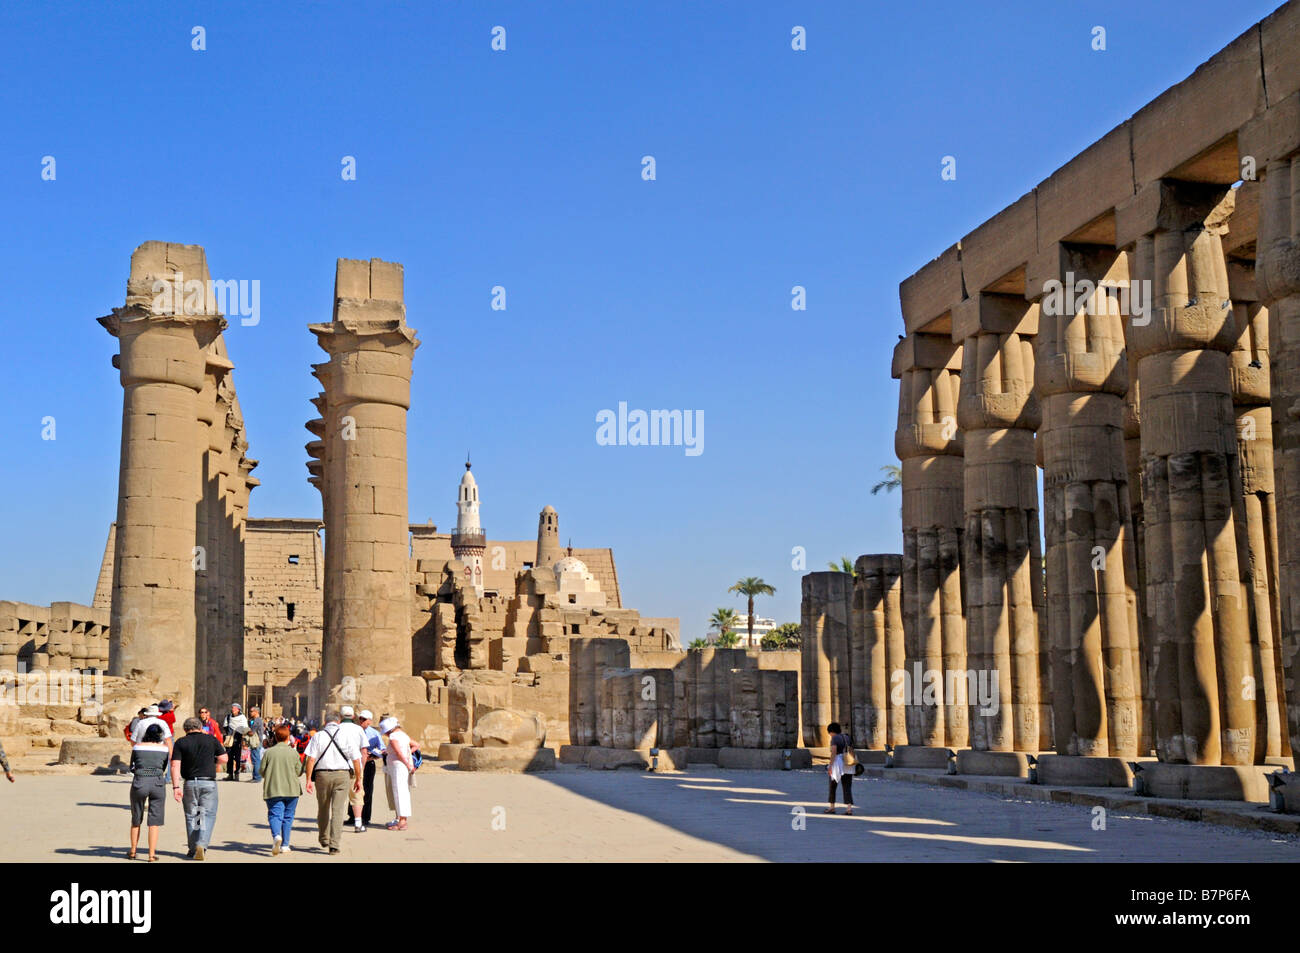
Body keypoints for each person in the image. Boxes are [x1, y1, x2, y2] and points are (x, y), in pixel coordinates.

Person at [302, 710, 362, 855]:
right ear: (338, 721)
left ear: (325, 722)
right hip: (342, 775)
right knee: (338, 810)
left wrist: (308, 779)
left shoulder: (318, 736)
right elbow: (356, 760)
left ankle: (324, 838)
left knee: (323, 808)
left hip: (322, 775)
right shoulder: (346, 736)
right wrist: (359, 779)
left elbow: (311, 759)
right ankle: (334, 844)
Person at [171, 716, 228, 860]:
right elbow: (224, 759)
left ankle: (193, 848)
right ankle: (201, 844)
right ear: (200, 727)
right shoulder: (211, 740)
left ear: (185, 729)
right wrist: (212, 760)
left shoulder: (181, 742)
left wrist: (175, 786)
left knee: (193, 815)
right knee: (207, 815)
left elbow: (174, 765)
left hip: (190, 783)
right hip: (208, 782)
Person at [260, 723, 304, 855]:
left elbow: (261, 771)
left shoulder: (269, 753)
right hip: (292, 789)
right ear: (288, 738)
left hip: (274, 788)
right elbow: (299, 772)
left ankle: (276, 836)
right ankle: (285, 845)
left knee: (275, 814)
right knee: (288, 817)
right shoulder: (293, 753)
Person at [127, 724, 169, 861]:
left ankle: (133, 851)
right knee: (154, 821)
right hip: (157, 782)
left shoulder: (137, 747)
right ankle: (151, 855)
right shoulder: (164, 749)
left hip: (140, 781)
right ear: (160, 735)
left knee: (136, 818)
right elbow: (163, 767)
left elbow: (132, 766)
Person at [337, 706, 370, 833]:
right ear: (353, 716)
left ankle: (336, 823)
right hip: (354, 766)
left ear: (340, 716)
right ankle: (358, 823)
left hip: (338, 767)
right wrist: (362, 768)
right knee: (357, 795)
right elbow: (364, 751)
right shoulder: (358, 729)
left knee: (338, 796)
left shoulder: (336, 728)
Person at [380, 716, 415, 831]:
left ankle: (402, 820)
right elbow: (414, 746)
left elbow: (398, 752)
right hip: (400, 766)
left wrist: (407, 763)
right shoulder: (403, 735)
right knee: (403, 791)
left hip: (398, 767)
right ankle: (402, 819)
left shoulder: (394, 736)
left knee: (399, 792)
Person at [356, 710, 384, 829]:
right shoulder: (355, 730)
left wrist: (371, 756)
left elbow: (382, 749)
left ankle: (365, 817)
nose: (361, 721)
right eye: (360, 718)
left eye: (364, 719)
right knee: (355, 789)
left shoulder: (374, 733)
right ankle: (353, 816)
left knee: (367, 790)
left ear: (370, 721)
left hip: (368, 763)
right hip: (356, 763)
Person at [825, 721, 854, 816]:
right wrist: (852, 762)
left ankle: (832, 807)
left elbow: (833, 752)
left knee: (832, 785)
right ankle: (849, 809)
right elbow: (851, 750)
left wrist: (830, 766)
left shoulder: (834, 738)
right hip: (847, 762)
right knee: (847, 786)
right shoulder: (847, 737)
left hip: (838, 763)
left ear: (831, 731)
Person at [223, 703, 249, 780]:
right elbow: (225, 726)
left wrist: (238, 731)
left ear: (238, 709)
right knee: (229, 757)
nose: (232, 709)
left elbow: (245, 728)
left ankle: (237, 774)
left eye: (234, 708)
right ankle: (230, 774)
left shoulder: (242, 717)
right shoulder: (228, 717)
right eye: (232, 708)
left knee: (237, 757)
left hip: (238, 740)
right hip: (229, 740)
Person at [247, 706, 266, 782]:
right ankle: (255, 776)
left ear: (256, 712)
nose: (250, 713)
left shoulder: (257, 720)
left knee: (256, 760)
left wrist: (245, 731)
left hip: (256, 742)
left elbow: (252, 732)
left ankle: (257, 777)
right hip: (257, 741)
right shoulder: (257, 720)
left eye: (251, 711)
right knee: (255, 759)